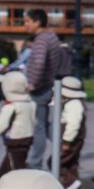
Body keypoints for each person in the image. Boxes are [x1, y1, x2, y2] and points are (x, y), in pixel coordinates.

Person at [21, 9, 64, 169]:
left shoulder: (41, 40)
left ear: (37, 22)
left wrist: (32, 84)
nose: (25, 25)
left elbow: (39, 63)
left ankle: (35, 162)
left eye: (27, 21)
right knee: (44, 124)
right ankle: (62, 145)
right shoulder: (51, 37)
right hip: (47, 85)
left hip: (39, 89)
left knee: (38, 127)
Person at [0, 71, 36, 179]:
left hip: (15, 142)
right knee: (13, 167)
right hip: (27, 140)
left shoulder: (11, 107)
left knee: (11, 173)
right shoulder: (30, 104)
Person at [58, 76, 87, 189]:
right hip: (74, 139)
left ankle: (71, 183)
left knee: (55, 162)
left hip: (72, 140)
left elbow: (73, 124)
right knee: (71, 165)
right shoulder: (73, 103)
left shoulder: (73, 104)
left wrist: (67, 141)